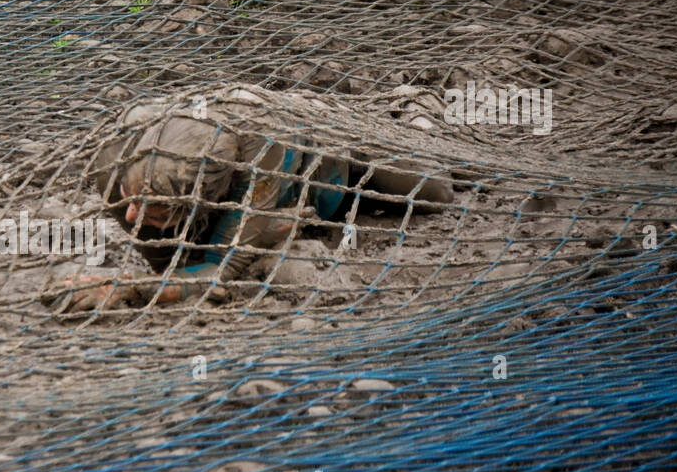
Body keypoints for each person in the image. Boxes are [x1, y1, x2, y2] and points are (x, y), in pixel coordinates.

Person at [51, 84, 453, 313]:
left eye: (155, 207)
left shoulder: (262, 152)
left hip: (335, 155)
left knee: (434, 191)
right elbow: (179, 267)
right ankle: (277, 224)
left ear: (207, 198)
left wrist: (129, 287)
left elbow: (216, 273)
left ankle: (415, 108)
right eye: (130, 197)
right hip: (255, 193)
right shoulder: (117, 155)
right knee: (196, 251)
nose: (133, 214)